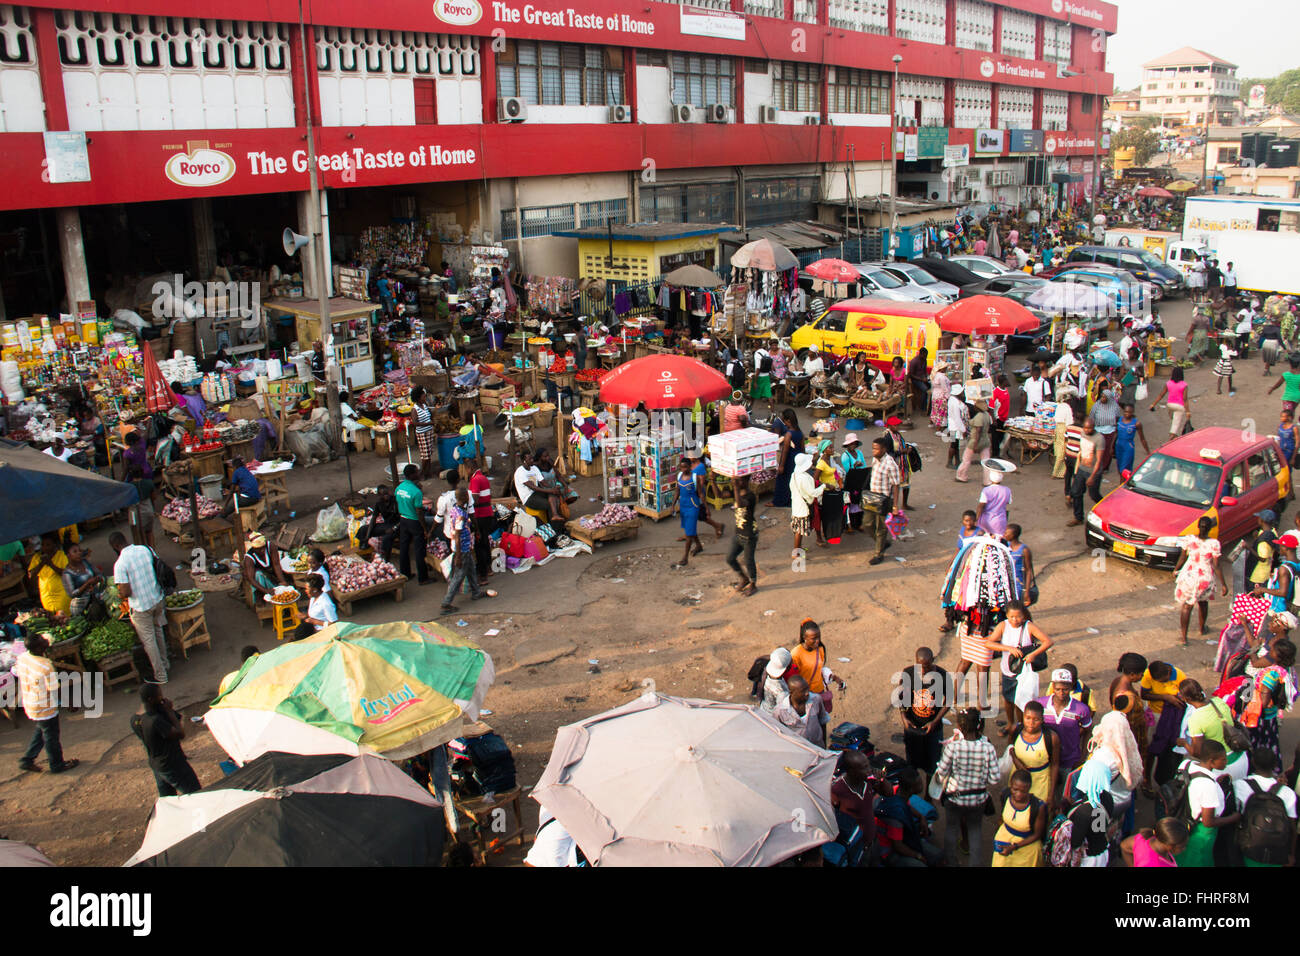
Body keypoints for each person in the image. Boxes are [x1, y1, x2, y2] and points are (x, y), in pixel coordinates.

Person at [935, 708, 1000, 866]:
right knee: (975, 832)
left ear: (959, 726)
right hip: (977, 799)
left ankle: (950, 861)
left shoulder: (953, 747)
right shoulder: (988, 748)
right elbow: (994, 778)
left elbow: (941, 772)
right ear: (979, 725)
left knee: (951, 828)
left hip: (954, 797)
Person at [984, 600, 1053, 734]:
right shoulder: (1003, 626)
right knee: (1008, 700)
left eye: (1018, 616)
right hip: (1008, 670)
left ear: (1024, 615)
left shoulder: (1029, 626)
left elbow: (1048, 641)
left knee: (1021, 702)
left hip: (1024, 673)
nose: (1015, 620)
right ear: (1007, 616)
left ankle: (1021, 726)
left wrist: (1033, 655)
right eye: (1012, 617)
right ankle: (1010, 724)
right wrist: (1008, 648)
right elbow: (989, 643)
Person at [14, 632, 79, 774]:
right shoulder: (45, 665)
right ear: (38, 649)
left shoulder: (24, 657)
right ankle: (57, 764)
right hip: (44, 705)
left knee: (43, 729)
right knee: (51, 736)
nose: (46, 640)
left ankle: (27, 760)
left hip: (31, 702)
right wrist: (69, 704)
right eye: (43, 640)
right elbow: (55, 689)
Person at [110, 531, 169, 684]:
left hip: (141, 607)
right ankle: (165, 664)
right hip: (156, 598)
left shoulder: (120, 564)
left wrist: (120, 594)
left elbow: (125, 591)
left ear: (115, 547)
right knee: (158, 631)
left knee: (149, 641)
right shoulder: (145, 549)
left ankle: (160, 676)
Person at [1175, 740, 1240, 867]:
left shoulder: (1186, 764)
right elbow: (1208, 821)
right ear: (1211, 761)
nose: (1226, 762)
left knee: (1182, 858)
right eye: (1223, 759)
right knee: (1199, 860)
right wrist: (1233, 818)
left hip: (1182, 821)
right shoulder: (1208, 786)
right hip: (1200, 832)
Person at [131, 682, 201, 796]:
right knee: (196, 794)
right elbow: (180, 734)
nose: (162, 698)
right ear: (150, 699)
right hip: (174, 765)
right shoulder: (155, 720)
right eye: (159, 696)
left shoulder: (134, 719)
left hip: (157, 766)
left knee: (168, 800)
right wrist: (169, 711)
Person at [1232, 748, 1298, 867]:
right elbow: (1292, 828)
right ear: (1275, 765)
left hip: (1248, 848)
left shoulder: (1239, 785)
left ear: (1253, 762)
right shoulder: (1287, 792)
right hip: (1277, 853)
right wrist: (1291, 855)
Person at [897, 646, 951, 779]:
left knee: (932, 765)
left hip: (933, 730)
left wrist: (935, 721)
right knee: (912, 762)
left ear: (933, 660)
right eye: (919, 666)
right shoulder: (908, 673)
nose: (922, 670)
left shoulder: (943, 676)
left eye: (926, 666)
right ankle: (912, 790)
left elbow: (949, 701)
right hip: (912, 727)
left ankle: (928, 795)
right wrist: (904, 717)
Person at [440, 487, 497, 613]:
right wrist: (459, 555)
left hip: (465, 547)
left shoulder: (456, 509)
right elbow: (457, 534)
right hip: (463, 549)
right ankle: (446, 602)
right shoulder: (460, 515)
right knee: (458, 576)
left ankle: (476, 592)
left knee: (471, 569)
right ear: (465, 497)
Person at [1174, 516, 1227, 646]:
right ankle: (1202, 628)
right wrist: (1224, 584)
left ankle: (1183, 637)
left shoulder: (1189, 539)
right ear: (1210, 528)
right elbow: (1216, 565)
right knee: (1203, 602)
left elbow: (1182, 558)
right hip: (1205, 578)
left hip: (1189, 576)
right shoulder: (1214, 544)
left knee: (1187, 606)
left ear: (1198, 526)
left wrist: (1176, 570)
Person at [1243, 637, 1295, 767]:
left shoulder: (1271, 675)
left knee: (1256, 744)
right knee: (1270, 742)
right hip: (1272, 714)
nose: (1269, 651)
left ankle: (1257, 768)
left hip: (1262, 717)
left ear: (1278, 655)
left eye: (1272, 650)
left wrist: (1251, 703)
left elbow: (1264, 702)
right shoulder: (1285, 670)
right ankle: (1273, 768)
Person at [1037, 670, 1093, 778]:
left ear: (1071, 686)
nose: (1061, 693)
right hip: (1045, 759)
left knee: (1066, 792)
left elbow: (1088, 730)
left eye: (1065, 689)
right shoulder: (1041, 705)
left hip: (1070, 760)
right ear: (1052, 686)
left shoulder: (1081, 709)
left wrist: (1082, 757)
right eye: (1058, 689)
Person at [791, 620, 844, 733]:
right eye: (813, 638)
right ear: (804, 637)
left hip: (819, 693)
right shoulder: (796, 654)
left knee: (822, 723)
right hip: (805, 695)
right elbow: (794, 678)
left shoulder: (820, 649)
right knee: (809, 728)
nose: (817, 641)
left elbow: (820, 669)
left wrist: (835, 678)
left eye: (818, 637)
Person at [831, 750, 883, 863]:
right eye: (864, 768)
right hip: (856, 849)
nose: (869, 770)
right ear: (851, 771)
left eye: (868, 765)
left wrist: (882, 780)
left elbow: (889, 793)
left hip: (872, 841)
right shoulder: (837, 791)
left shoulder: (869, 781)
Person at [992, 769, 1047, 867]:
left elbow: (1037, 835)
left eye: (1023, 791)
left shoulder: (1038, 807)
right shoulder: (1006, 795)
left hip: (1027, 851)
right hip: (1004, 843)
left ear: (1029, 789)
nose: (1018, 794)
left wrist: (1014, 847)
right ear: (1010, 785)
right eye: (1015, 789)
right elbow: (1002, 816)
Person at [866, 437, 902, 566]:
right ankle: (881, 543)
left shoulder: (890, 464)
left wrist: (895, 506)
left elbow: (896, 485)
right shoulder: (875, 459)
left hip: (884, 499)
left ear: (884, 449)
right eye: (873, 448)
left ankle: (878, 554)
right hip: (871, 497)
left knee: (881, 527)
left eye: (876, 448)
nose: (873, 451)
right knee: (867, 524)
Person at [1178, 678, 1234, 758]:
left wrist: (1184, 743)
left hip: (1223, 760)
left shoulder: (1195, 719)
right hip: (1239, 753)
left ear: (1186, 699)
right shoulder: (1219, 701)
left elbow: (1197, 753)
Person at [394, 464, 430, 586]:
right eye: (417, 472)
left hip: (403, 520)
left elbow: (397, 502)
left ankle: (405, 573)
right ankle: (423, 578)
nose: (419, 473)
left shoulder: (399, 488)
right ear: (412, 475)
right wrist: (425, 529)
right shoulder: (416, 492)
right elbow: (419, 512)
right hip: (414, 521)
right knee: (419, 550)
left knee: (404, 547)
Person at [1065, 417, 1102, 527]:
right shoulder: (1083, 434)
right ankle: (1078, 517)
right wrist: (1077, 468)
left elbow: (1099, 460)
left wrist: (1092, 476)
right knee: (1076, 492)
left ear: (1093, 427)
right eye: (1085, 428)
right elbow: (1081, 452)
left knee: (1094, 495)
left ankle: (1106, 508)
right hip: (1082, 468)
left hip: (1093, 472)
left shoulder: (1099, 439)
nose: (1086, 430)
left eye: (1089, 428)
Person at [726, 476, 758, 596]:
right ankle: (744, 578)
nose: (738, 482)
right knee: (730, 558)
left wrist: (735, 487)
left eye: (740, 480)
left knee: (748, 561)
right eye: (736, 480)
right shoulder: (737, 492)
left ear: (746, 481)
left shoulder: (750, 496)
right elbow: (719, 494)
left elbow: (740, 504)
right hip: (739, 533)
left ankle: (753, 584)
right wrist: (713, 480)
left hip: (749, 534)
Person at [773, 674, 825, 746]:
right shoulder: (780, 711)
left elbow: (823, 721)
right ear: (791, 692)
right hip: (798, 750)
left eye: (807, 688)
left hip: (817, 747)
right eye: (803, 691)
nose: (807, 693)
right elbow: (778, 735)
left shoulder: (816, 699)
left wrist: (824, 746)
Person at [27, 533, 71, 617]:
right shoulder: (37, 557)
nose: (44, 548)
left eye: (48, 545)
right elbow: (31, 575)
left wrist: (51, 564)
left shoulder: (61, 555)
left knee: (64, 617)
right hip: (46, 595)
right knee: (51, 618)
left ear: (54, 545)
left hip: (61, 594)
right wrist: (42, 563)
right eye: (42, 545)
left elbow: (66, 573)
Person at [789, 453, 823, 557]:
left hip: (796, 505)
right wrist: (824, 487)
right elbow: (812, 493)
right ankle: (796, 552)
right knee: (800, 530)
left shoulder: (794, 474)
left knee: (798, 529)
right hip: (803, 508)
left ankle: (798, 548)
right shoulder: (804, 477)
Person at [1120, 817, 1189, 867]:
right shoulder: (1151, 864)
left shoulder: (1143, 838)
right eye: (1182, 846)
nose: (1184, 848)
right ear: (1169, 845)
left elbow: (1124, 846)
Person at [771, 409, 803, 509]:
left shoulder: (788, 434)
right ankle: (790, 500)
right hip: (797, 459)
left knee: (782, 481)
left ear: (788, 421)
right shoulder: (800, 433)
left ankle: (778, 501)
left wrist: (781, 465)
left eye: (784, 421)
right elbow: (802, 449)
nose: (784, 424)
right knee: (792, 481)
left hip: (789, 459)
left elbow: (785, 451)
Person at [468, 463, 495, 580]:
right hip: (487, 512)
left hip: (480, 514)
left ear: (469, 468)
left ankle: (482, 570)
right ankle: (488, 566)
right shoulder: (483, 477)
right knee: (485, 540)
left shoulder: (475, 480)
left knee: (479, 543)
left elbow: (475, 499)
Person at [954, 398, 991, 483]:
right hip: (985, 441)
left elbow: (977, 432)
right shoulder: (986, 415)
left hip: (975, 441)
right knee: (986, 462)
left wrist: (975, 444)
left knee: (966, 460)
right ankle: (987, 480)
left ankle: (961, 475)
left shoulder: (979, 417)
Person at [60, 543, 102, 617]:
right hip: (81, 608)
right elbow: (72, 594)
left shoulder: (85, 562)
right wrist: (87, 584)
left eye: (79, 550)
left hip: (96, 599)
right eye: (75, 552)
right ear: (68, 555)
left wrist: (96, 580)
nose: (79, 553)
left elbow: (98, 573)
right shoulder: (67, 574)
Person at [840, 433, 869, 533]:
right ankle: (851, 524)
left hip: (860, 480)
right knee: (852, 502)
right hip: (851, 482)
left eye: (855, 443)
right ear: (847, 445)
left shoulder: (859, 453)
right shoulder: (845, 456)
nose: (853, 445)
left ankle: (859, 524)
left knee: (860, 501)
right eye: (851, 444)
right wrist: (855, 466)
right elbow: (848, 471)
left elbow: (864, 465)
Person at [294, 573, 338, 639]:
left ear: (315, 590)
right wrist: (305, 616)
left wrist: (315, 622)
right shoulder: (313, 597)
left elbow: (334, 624)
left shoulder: (326, 603)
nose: (305, 591)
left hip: (323, 633)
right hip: (313, 629)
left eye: (307, 589)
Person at [364, 484, 400, 563]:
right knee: (364, 530)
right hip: (387, 524)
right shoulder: (379, 504)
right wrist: (368, 535)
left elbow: (403, 517)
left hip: (398, 525)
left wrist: (394, 528)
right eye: (384, 494)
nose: (386, 496)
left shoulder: (395, 501)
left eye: (387, 493)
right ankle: (367, 549)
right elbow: (373, 519)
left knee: (387, 538)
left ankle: (386, 561)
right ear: (379, 495)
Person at [1149, 366, 1189, 437]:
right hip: (1179, 406)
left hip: (1170, 405)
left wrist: (1153, 404)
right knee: (1175, 424)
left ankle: (1174, 436)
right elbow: (1185, 399)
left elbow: (1161, 395)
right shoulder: (1184, 385)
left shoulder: (1168, 383)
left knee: (1174, 420)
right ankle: (1171, 437)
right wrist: (1188, 411)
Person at [1004, 524, 1036, 605]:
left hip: (1019, 586)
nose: (1004, 534)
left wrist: (1027, 591)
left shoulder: (1024, 550)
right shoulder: (1005, 547)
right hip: (1007, 584)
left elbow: (1028, 571)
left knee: (1018, 608)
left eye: (1007, 533)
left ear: (1013, 535)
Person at [1113, 403, 1149, 476]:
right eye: (1125, 412)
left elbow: (1142, 439)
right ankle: (1123, 484)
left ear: (1132, 413)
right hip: (1118, 446)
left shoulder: (1136, 423)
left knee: (1124, 470)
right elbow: (1116, 434)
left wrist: (1148, 452)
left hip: (1128, 447)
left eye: (1129, 412)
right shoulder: (1119, 420)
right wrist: (1112, 446)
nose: (1127, 414)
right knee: (1119, 469)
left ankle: (1123, 485)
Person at [974, 466, 1011, 536]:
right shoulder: (1007, 490)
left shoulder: (986, 490)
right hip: (999, 521)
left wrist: (976, 519)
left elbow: (980, 507)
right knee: (998, 541)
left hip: (985, 521)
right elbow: (1008, 502)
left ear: (990, 478)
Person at [1090, 389, 1119, 473]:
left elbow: (1117, 418)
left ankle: (1104, 467)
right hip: (1098, 430)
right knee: (1098, 449)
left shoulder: (1114, 407)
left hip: (1110, 431)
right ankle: (1096, 465)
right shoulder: (1097, 405)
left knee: (1107, 450)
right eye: (1101, 396)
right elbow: (1091, 417)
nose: (1102, 398)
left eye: (1104, 397)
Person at [410, 386, 436, 479]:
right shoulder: (415, 409)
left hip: (429, 431)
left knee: (428, 453)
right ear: (418, 398)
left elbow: (430, 415)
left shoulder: (424, 406)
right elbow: (415, 423)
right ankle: (422, 473)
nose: (425, 398)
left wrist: (432, 419)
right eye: (423, 397)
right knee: (425, 455)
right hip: (422, 434)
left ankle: (428, 471)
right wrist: (429, 423)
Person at [759, 647, 793, 714]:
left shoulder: (766, 674)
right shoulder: (781, 692)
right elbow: (782, 712)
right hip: (772, 719)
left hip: (763, 710)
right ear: (788, 668)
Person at [944, 384, 969, 469]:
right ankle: (949, 462)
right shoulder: (955, 402)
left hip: (953, 426)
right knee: (953, 444)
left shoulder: (953, 399)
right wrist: (963, 430)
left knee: (955, 444)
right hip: (954, 427)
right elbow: (957, 418)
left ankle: (957, 461)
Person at [990, 374, 1010, 458]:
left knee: (1001, 436)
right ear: (1003, 382)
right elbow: (991, 408)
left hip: (1004, 418)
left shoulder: (1005, 389)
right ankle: (995, 454)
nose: (1008, 382)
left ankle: (999, 453)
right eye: (1007, 380)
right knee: (996, 438)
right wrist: (994, 420)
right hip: (997, 419)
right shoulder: (995, 392)